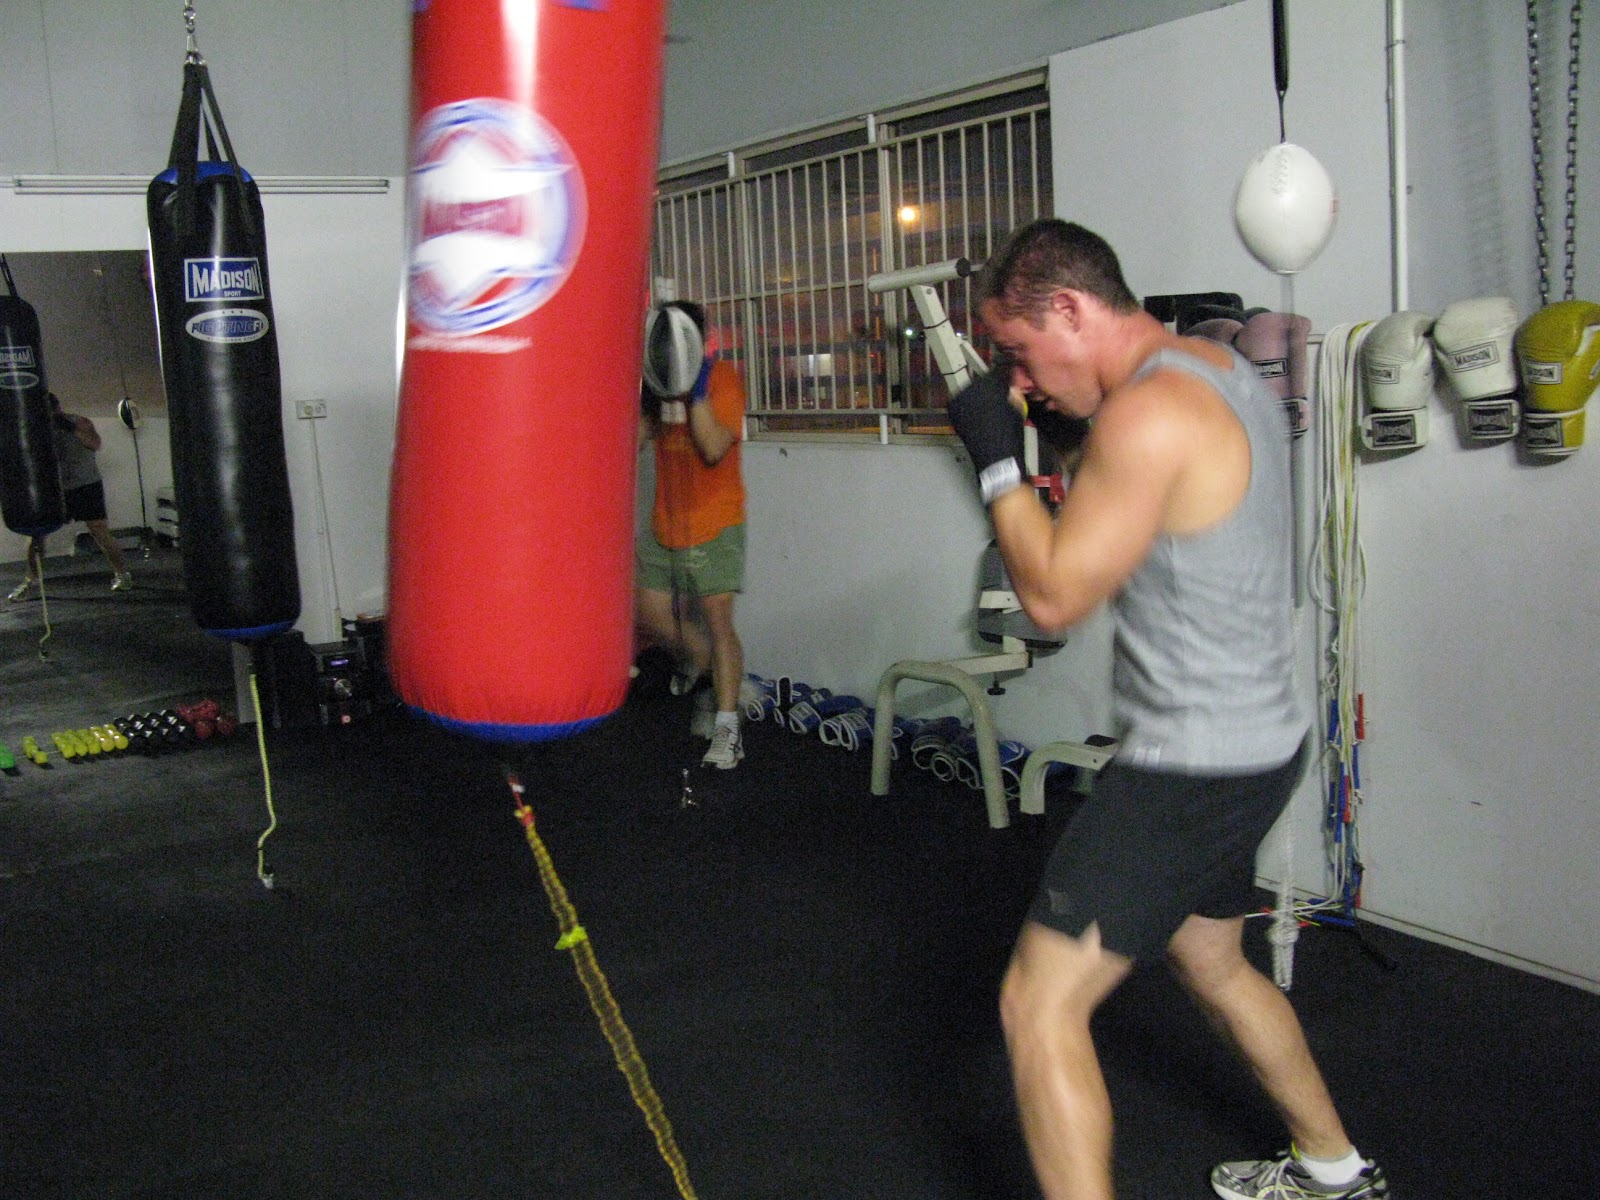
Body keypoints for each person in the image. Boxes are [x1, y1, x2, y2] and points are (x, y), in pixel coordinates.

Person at [947, 219, 1387, 1200]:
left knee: (1037, 1005)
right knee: (1212, 961)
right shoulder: (1215, 368)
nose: (1016, 381)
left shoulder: (1146, 418)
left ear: (1068, 308)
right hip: (1263, 741)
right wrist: (1061, 443)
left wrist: (992, 459)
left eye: (1017, 352)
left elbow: (1053, 600)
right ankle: (1332, 1169)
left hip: (1191, 766)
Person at [636, 300, 749, 770]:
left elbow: (712, 448)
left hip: (716, 522)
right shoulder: (655, 386)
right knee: (651, 614)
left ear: (699, 342)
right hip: (667, 522)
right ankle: (710, 678)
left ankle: (728, 726)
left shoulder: (723, 380)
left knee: (719, 625)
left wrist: (694, 390)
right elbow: (631, 442)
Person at [8, 392, 133, 601]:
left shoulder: (79, 421)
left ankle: (122, 574)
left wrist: (70, 429)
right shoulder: (33, 428)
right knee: (37, 536)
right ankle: (31, 581)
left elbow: (95, 444)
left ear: (57, 408)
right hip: (53, 490)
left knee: (99, 532)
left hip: (85, 485)